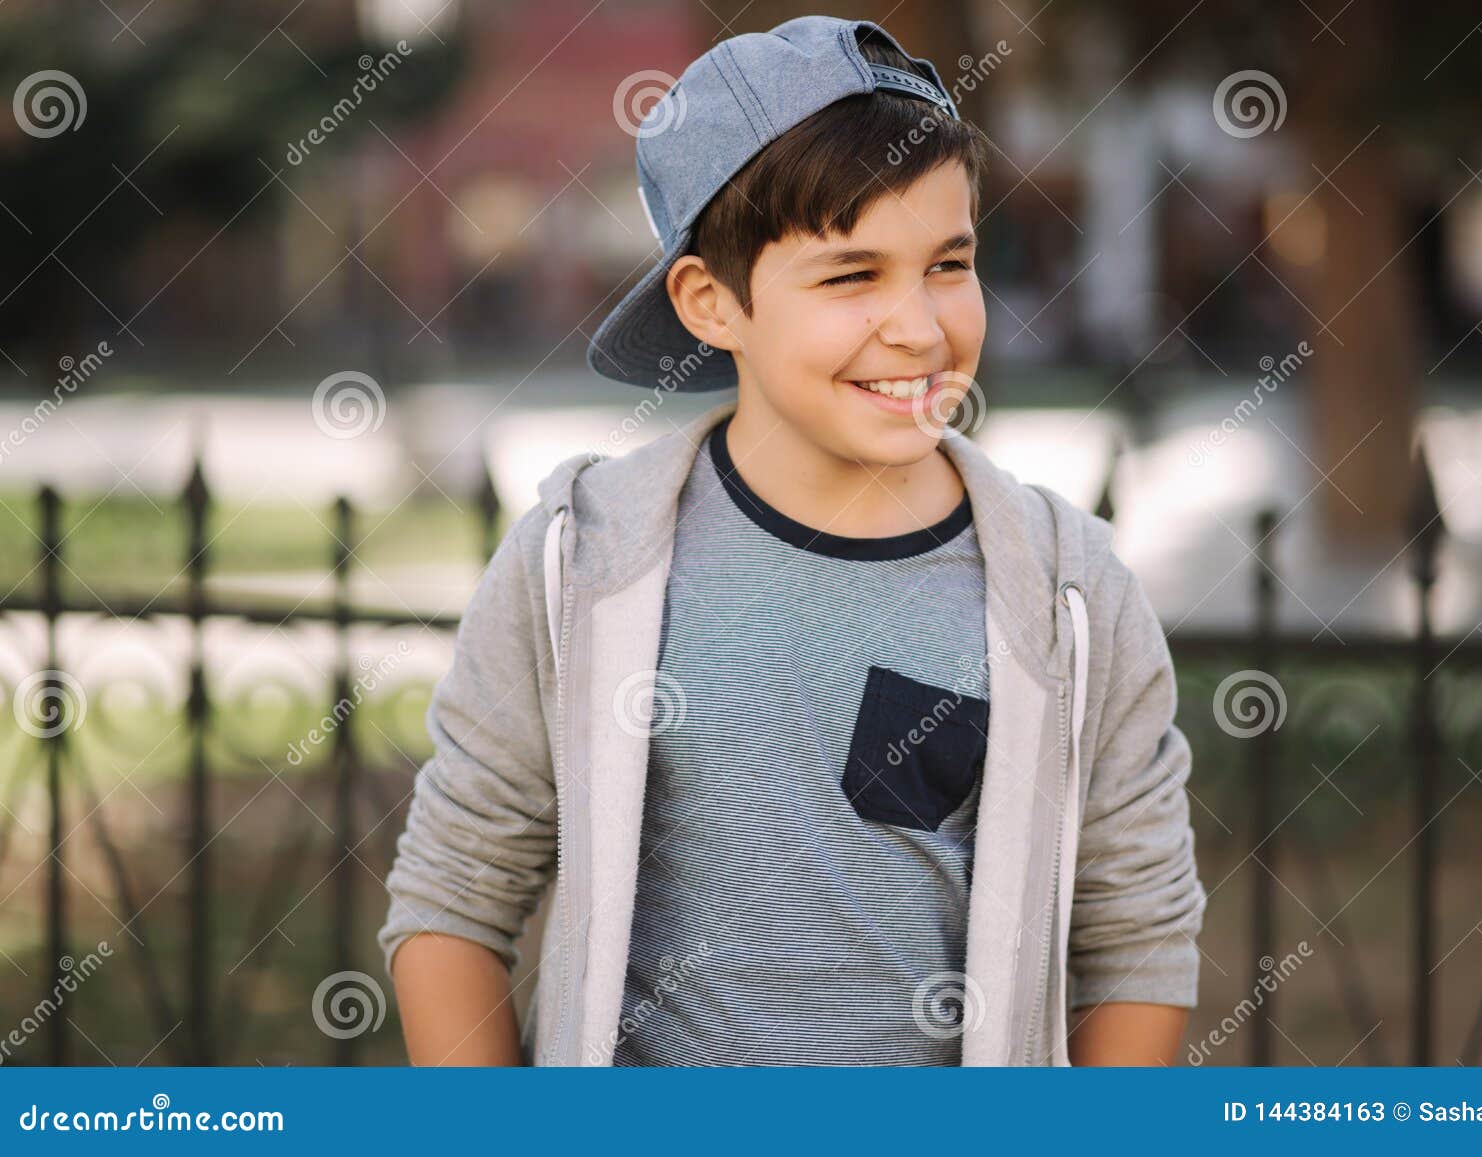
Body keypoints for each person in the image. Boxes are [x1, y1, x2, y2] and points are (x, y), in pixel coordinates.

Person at [377, 14, 1206, 1067]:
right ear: (711, 301)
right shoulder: (577, 559)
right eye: (851, 276)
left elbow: (1136, 943)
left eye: (947, 262)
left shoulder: (1068, 592)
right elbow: (452, 902)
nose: (918, 325)